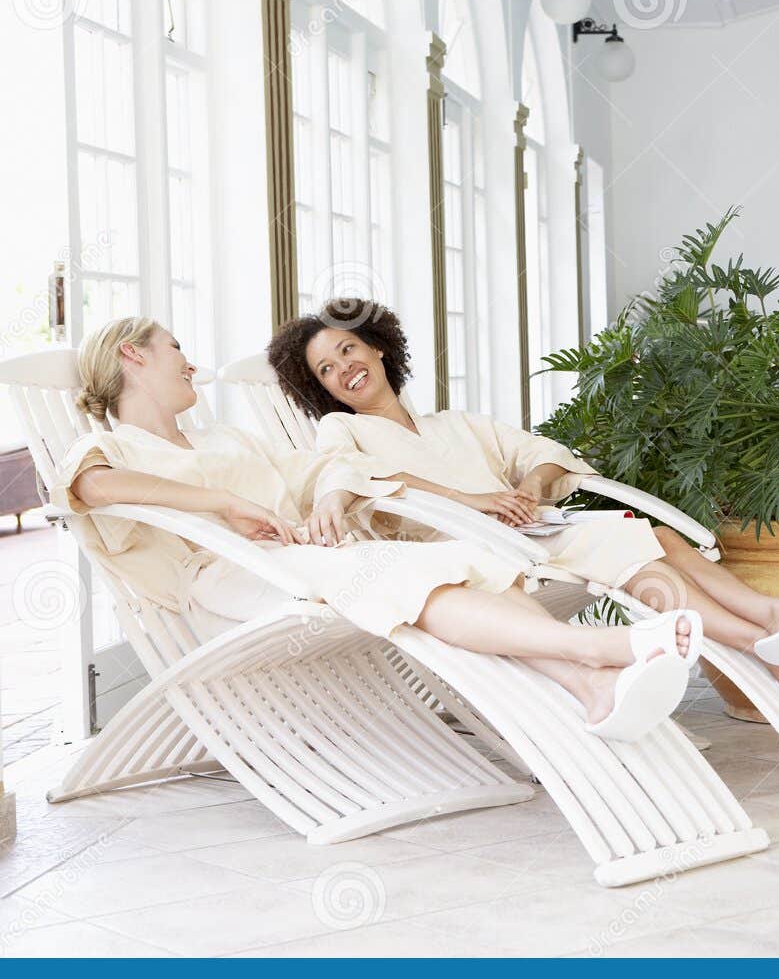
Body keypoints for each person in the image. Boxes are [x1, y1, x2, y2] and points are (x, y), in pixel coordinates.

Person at [55, 317, 703, 742]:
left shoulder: (223, 435)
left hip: (306, 556)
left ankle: (588, 688)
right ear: (131, 355)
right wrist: (223, 502)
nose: (189, 363)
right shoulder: (107, 446)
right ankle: (595, 653)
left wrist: (329, 499)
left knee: (464, 561)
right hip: (233, 576)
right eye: (176, 349)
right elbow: (93, 489)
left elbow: (324, 465)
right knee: (411, 571)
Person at [266, 300, 779, 696]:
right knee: (633, 543)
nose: (342, 367)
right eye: (324, 370)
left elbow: (542, 452)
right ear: (324, 392)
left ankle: (772, 622)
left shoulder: (458, 424)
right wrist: (471, 500)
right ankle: (769, 638)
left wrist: (527, 486)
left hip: (526, 536)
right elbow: (342, 476)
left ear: (376, 348)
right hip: (460, 556)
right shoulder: (342, 431)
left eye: (347, 350)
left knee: (649, 535)